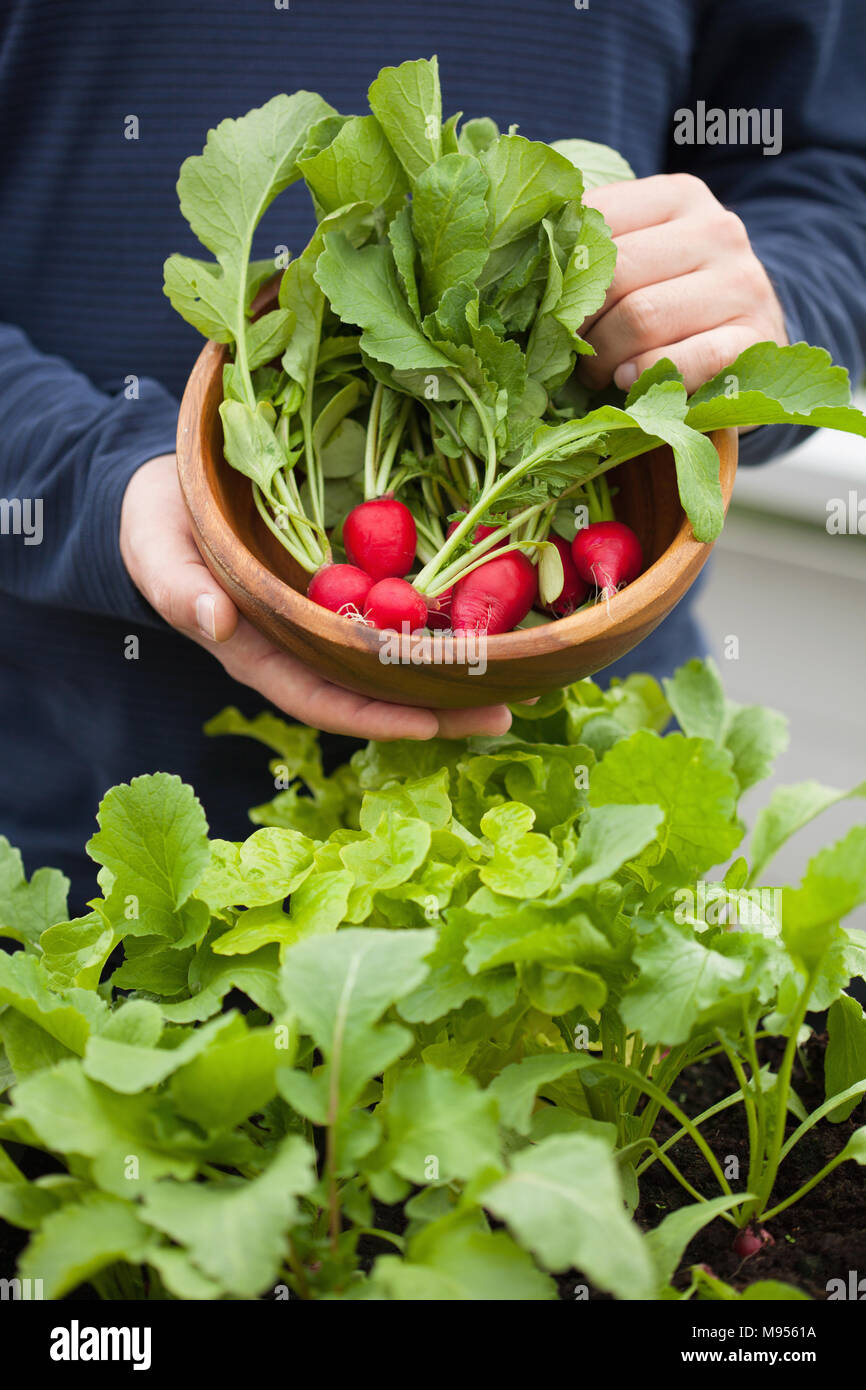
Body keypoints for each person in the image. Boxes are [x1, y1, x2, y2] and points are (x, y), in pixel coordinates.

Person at [1, 0, 865, 911]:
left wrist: (742, 327)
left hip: (576, 806)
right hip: (82, 821)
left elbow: (831, 175)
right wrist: (88, 475)